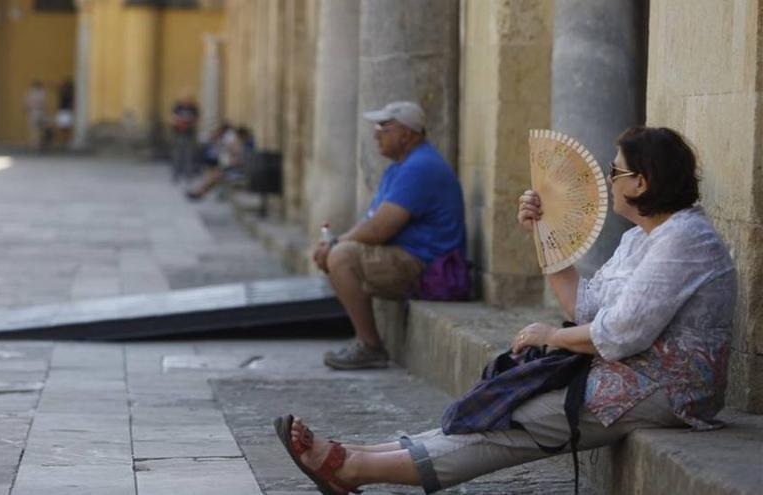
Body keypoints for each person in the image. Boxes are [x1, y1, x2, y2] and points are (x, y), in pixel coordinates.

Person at [273, 126, 736, 494]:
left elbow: (617, 334)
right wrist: (544, 228)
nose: (609, 182)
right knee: (502, 400)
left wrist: (549, 337)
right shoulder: (642, 238)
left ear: (643, 181)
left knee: (517, 414)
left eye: (615, 173)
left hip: (666, 389)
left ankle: (355, 469)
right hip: (625, 373)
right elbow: (584, 306)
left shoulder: (685, 241)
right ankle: (357, 454)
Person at [314, 101, 466, 370]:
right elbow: (371, 221)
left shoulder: (420, 167)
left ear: (407, 133)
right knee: (340, 252)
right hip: (409, 258)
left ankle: (371, 346)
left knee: (342, 258)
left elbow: (378, 230)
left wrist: (336, 244)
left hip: (428, 267)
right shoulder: (400, 167)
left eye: (384, 127)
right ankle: (366, 341)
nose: (376, 134)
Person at [186, 125, 253, 200]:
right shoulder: (241, 144)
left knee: (215, 175)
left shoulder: (246, 147)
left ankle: (200, 193)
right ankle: (200, 192)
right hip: (233, 169)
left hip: (240, 172)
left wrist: (233, 157)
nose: (235, 138)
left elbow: (241, 161)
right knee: (213, 173)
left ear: (241, 136)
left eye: (237, 136)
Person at [170, 94, 200, 181]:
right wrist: (179, 121)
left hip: (189, 134)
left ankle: (188, 175)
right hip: (178, 134)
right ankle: (175, 175)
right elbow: (173, 118)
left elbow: (196, 120)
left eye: (188, 99)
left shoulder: (193, 108)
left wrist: (189, 122)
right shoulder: (177, 107)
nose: (186, 101)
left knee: (189, 155)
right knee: (177, 155)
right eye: (184, 99)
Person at [23, 80, 47, 150]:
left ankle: (36, 143)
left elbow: (26, 103)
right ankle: (36, 143)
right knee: (36, 129)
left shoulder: (30, 93)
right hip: (37, 112)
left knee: (35, 129)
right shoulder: (40, 92)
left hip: (34, 112)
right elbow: (43, 103)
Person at [55, 78, 74, 147]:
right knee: (63, 127)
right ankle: (66, 140)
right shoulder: (63, 92)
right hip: (63, 111)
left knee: (66, 127)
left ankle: (68, 140)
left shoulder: (69, 93)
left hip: (66, 111)